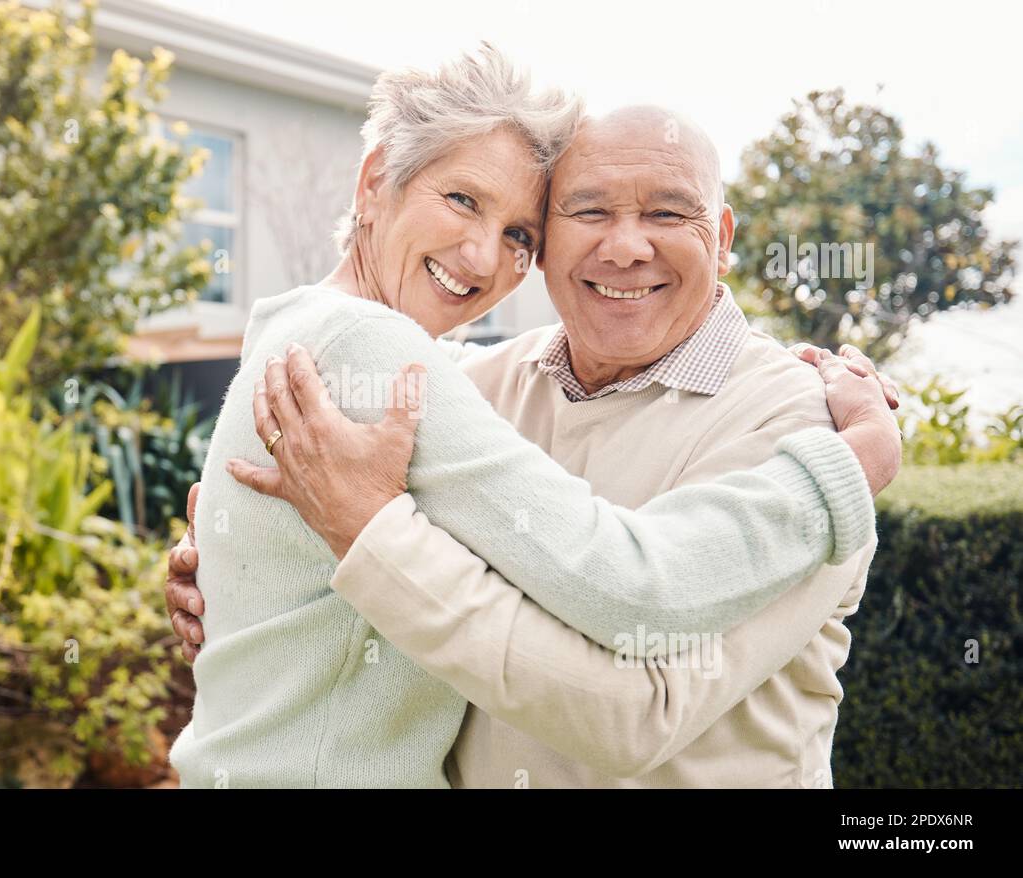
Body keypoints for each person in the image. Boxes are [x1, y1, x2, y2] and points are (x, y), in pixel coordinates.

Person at [165, 50, 900, 789]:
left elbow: (636, 708)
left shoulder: (804, 421)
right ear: (373, 181)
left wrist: (357, 540)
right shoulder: (422, 371)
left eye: (516, 231)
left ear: (725, 238)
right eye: (586, 211)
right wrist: (239, 562)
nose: (624, 246)